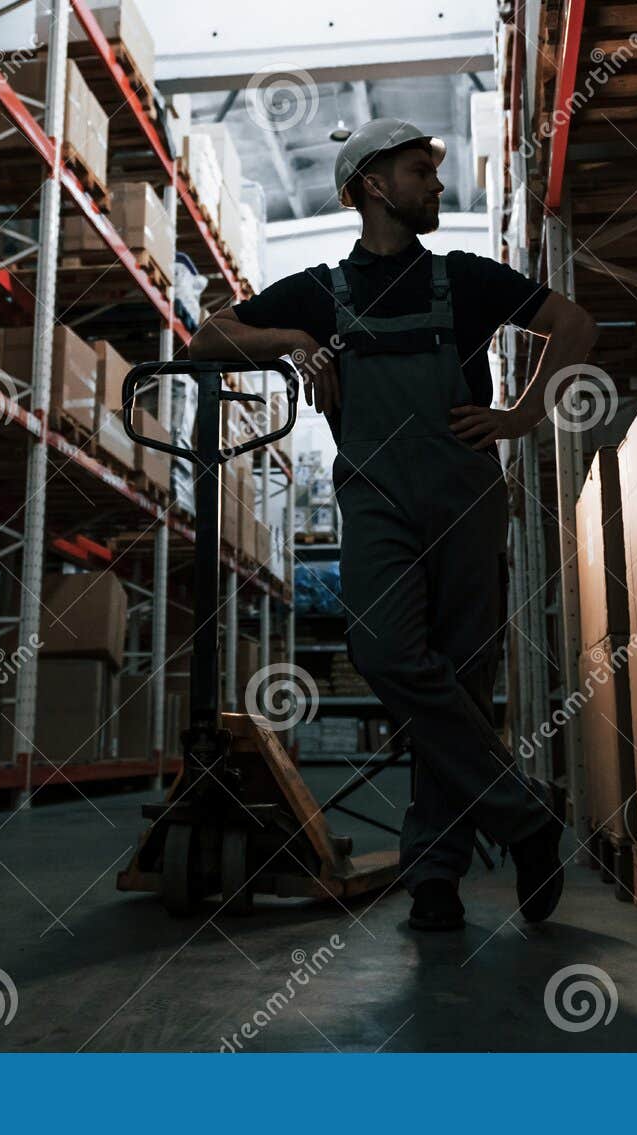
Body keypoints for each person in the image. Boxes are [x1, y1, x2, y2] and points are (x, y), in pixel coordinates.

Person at [188, 118, 598, 931]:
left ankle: (436, 878)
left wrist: (517, 418)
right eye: (421, 172)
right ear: (373, 185)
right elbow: (208, 338)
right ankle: (525, 817)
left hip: (467, 496)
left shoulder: (467, 279)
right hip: (376, 498)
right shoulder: (318, 293)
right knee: (385, 650)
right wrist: (292, 340)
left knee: (462, 685)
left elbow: (575, 328)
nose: (436, 186)